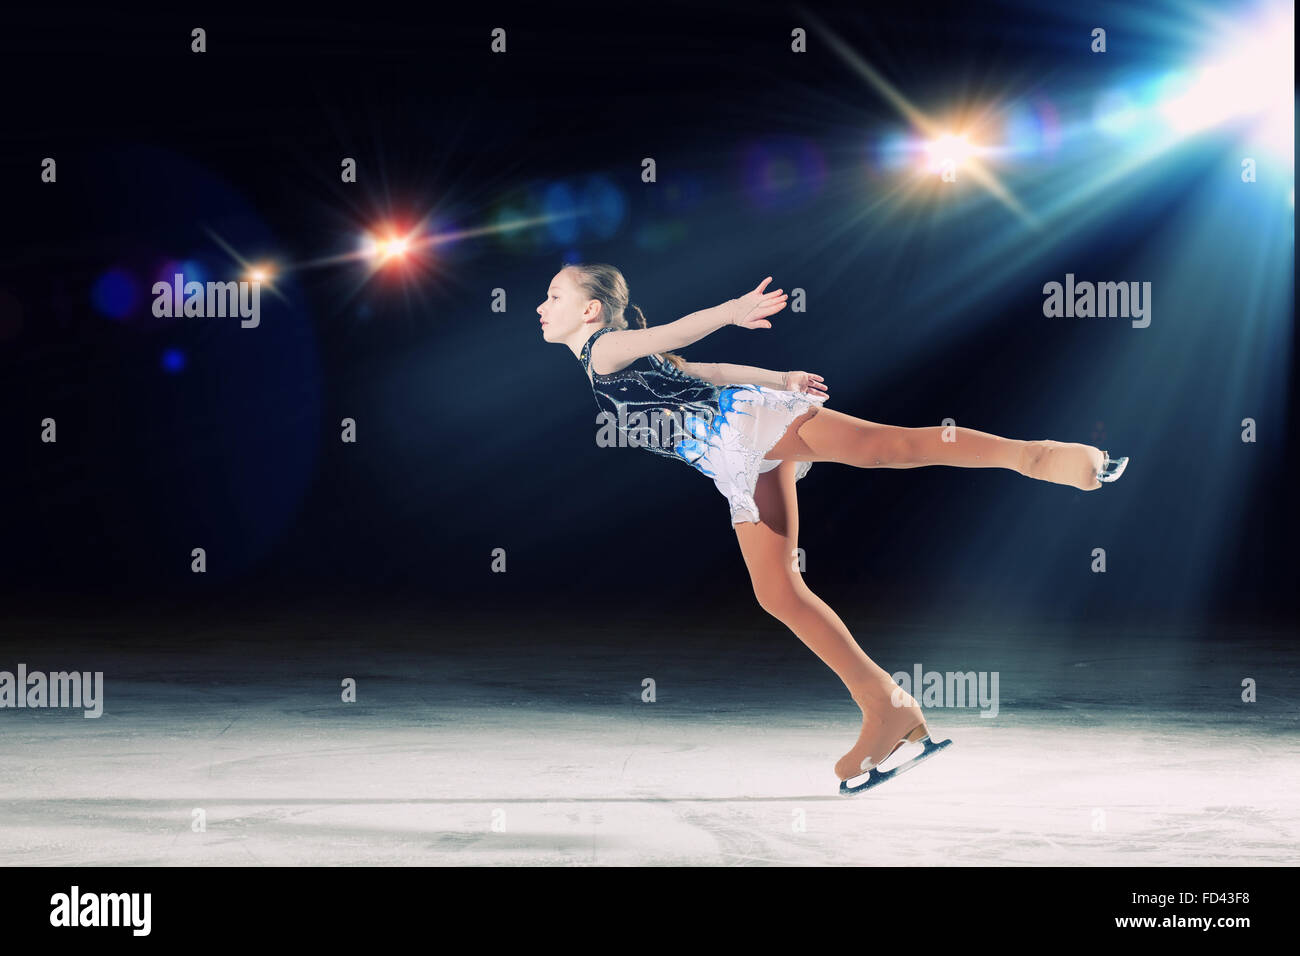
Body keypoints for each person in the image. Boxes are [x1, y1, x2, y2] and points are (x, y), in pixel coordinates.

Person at [539, 262, 1128, 792]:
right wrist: (782, 374)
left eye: (553, 295)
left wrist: (731, 315)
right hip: (732, 458)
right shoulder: (613, 363)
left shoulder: (606, 348)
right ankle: (886, 707)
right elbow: (702, 368)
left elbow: (677, 338)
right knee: (777, 592)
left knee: (882, 447)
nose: (542, 307)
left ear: (589, 310)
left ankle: (1038, 455)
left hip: (747, 425)